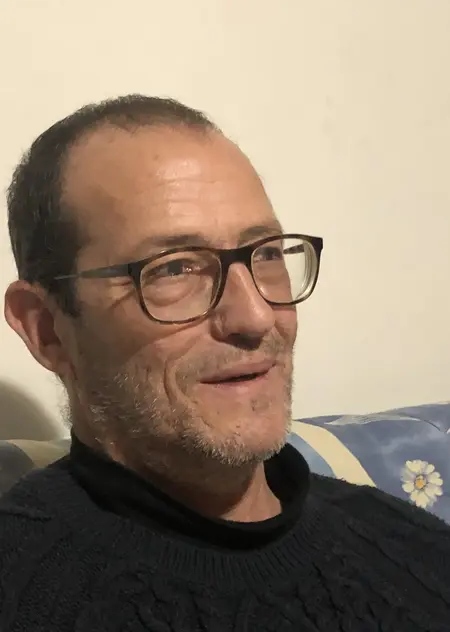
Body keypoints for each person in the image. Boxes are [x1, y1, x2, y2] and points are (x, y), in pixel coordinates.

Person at [1, 94, 450, 632]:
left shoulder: (415, 547)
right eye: (174, 268)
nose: (257, 316)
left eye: (267, 252)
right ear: (47, 329)